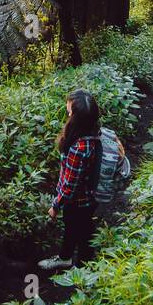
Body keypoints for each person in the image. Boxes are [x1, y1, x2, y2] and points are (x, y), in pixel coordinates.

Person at [38, 89, 101, 273]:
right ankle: (67, 258)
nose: (67, 109)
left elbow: (70, 185)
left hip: (79, 201)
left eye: (70, 108)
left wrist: (56, 205)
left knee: (80, 231)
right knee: (79, 228)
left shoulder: (79, 147)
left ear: (76, 116)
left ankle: (82, 270)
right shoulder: (94, 131)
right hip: (91, 195)